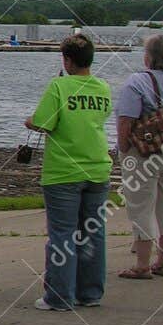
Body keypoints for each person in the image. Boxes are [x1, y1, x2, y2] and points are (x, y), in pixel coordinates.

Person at [25, 33, 112, 310]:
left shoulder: (59, 86)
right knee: (93, 233)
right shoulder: (102, 88)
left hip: (64, 170)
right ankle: (90, 292)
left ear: (68, 60)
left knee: (63, 234)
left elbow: (44, 123)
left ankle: (59, 296)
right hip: (97, 166)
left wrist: (30, 122)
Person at [114, 32, 163, 281]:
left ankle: (142, 264)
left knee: (140, 205)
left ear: (150, 58)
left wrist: (123, 149)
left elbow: (126, 120)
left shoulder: (137, 82)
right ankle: (162, 260)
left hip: (144, 152)